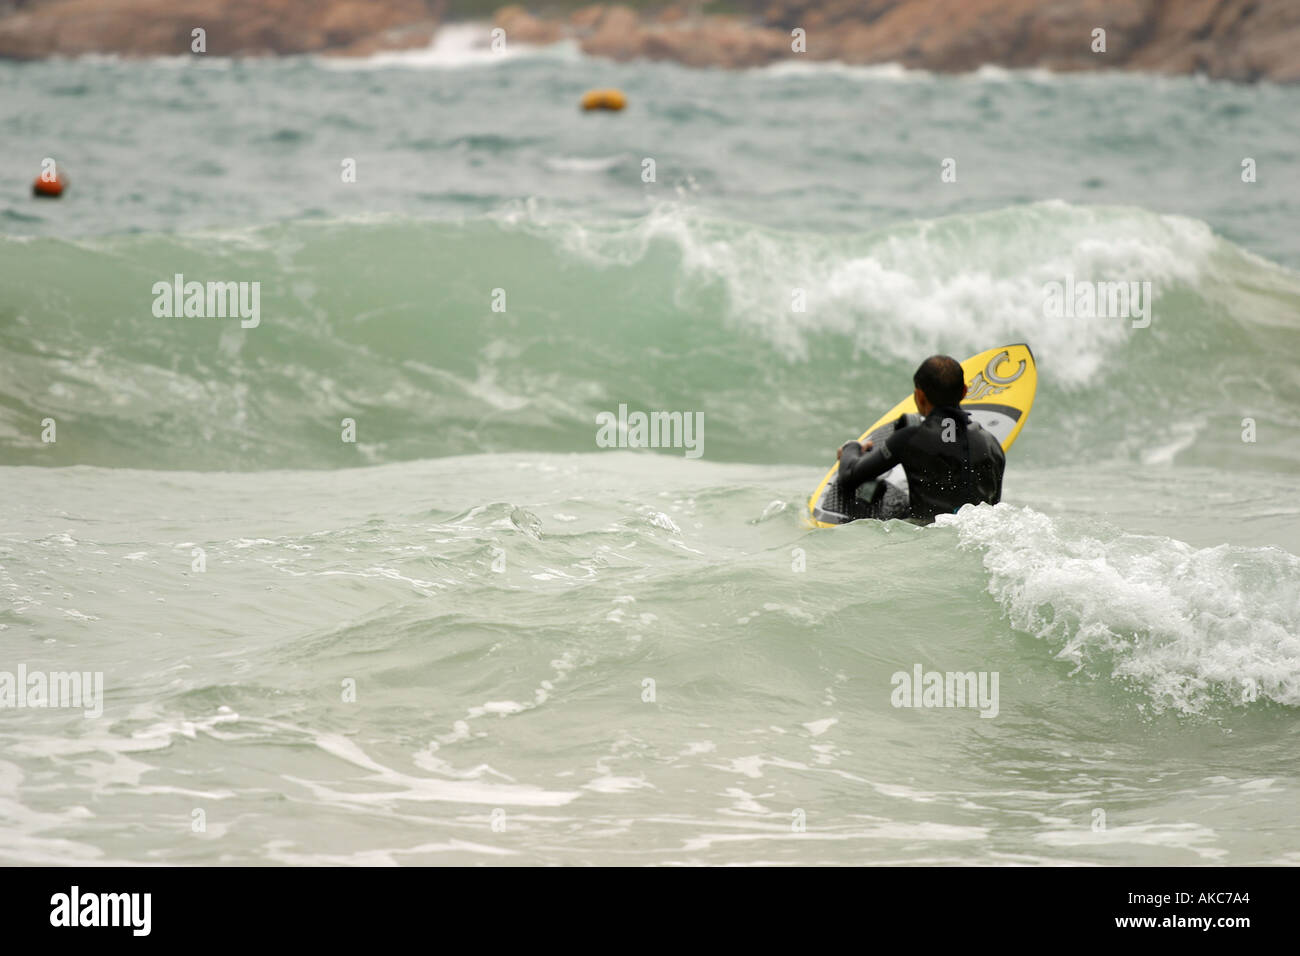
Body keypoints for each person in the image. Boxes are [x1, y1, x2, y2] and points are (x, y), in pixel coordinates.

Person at [836, 355, 1005, 523]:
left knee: (874, 489)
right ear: (964, 392)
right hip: (974, 535)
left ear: (920, 396)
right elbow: (994, 507)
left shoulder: (910, 438)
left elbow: (849, 477)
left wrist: (851, 447)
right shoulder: (991, 444)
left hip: (923, 535)